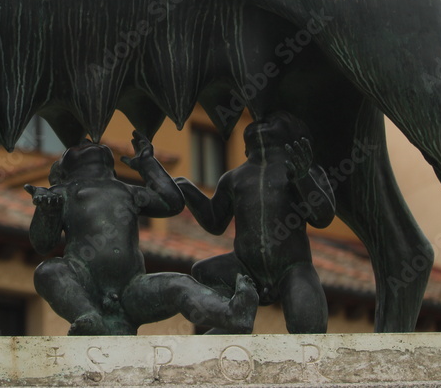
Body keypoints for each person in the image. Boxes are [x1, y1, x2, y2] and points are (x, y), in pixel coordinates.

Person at [25, 132, 258, 335]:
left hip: (132, 289)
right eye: (77, 147)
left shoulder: (128, 190)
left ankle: (231, 314)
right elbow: (43, 244)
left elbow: (173, 202)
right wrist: (47, 212)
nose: (87, 141)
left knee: (180, 284)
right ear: (65, 170)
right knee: (49, 270)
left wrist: (148, 164)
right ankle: (87, 315)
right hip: (86, 286)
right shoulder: (61, 193)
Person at [175, 111, 334, 333]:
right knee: (205, 271)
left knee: (310, 330)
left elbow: (323, 216)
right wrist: (186, 189)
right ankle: (230, 322)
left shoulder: (305, 169)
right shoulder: (234, 178)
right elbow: (214, 221)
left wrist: (303, 177)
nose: (262, 121)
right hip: (245, 267)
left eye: (273, 119)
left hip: (293, 267)